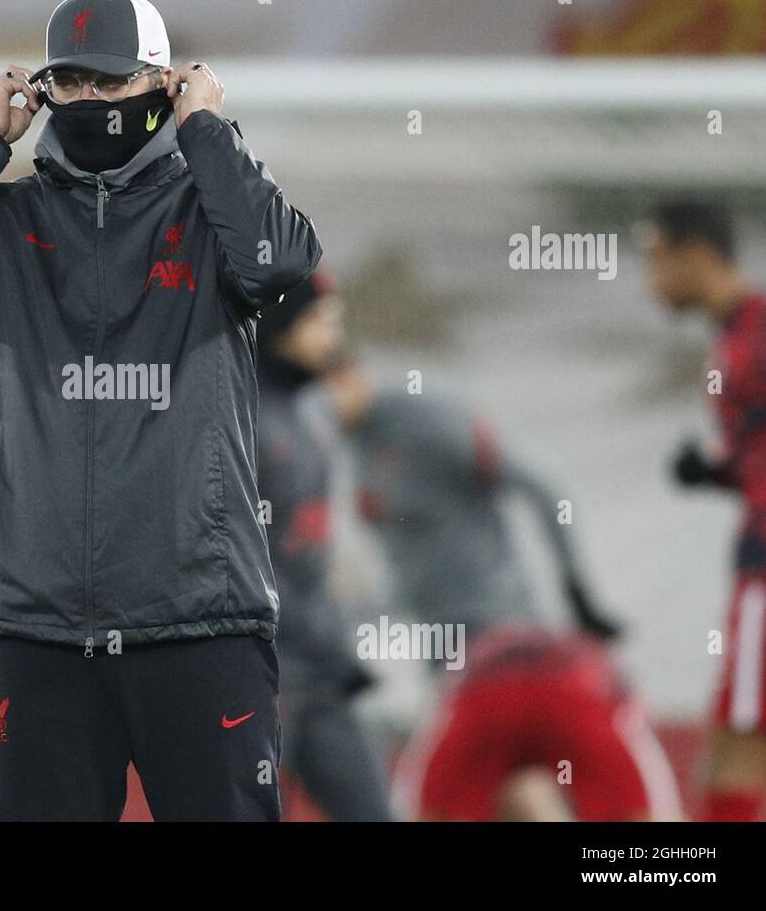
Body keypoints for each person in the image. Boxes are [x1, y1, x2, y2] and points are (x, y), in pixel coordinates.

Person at [0, 0, 323, 821]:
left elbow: (281, 263)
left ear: (161, 86)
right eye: (70, 84)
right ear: (46, 92)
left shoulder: (211, 215)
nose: (90, 102)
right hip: (34, 633)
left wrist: (207, 130)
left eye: (110, 84)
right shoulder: (7, 221)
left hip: (201, 625)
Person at [323, 357, 681, 820]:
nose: (314, 410)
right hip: (439, 638)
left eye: (319, 395)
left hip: (498, 624)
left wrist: (577, 590)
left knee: (523, 780)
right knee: (485, 786)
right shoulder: (351, 444)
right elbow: (399, 559)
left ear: (349, 377)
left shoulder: (427, 416)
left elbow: (544, 488)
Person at [639, 199, 766, 821]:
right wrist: (718, 470)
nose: (649, 282)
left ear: (693, 256)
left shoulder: (759, 330)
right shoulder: (734, 336)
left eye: (655, 262)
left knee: (737, 752)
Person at [255, 271, 394, 820]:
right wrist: (322, 641)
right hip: (259, 681)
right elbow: (243, 560)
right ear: (281, 326)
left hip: (323, 675)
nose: (332, 339)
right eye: (320, 323)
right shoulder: (241, 416)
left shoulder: (313, 410)